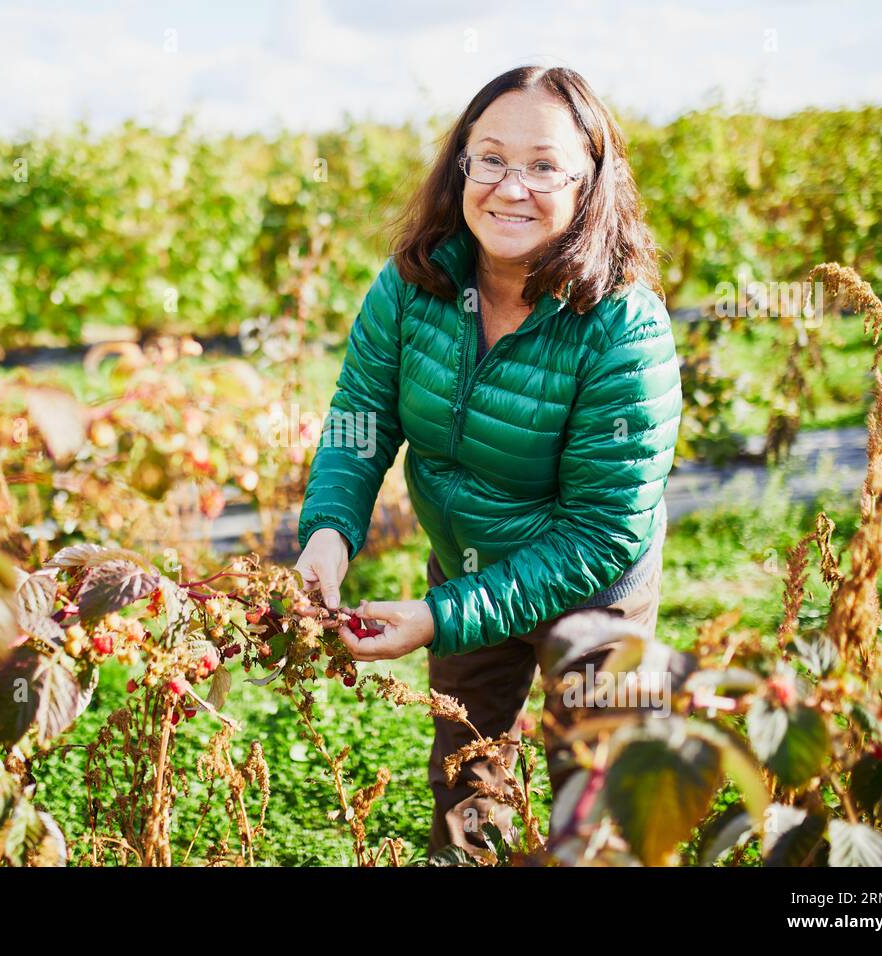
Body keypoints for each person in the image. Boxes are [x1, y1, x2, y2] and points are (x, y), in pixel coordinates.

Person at [293, 64, 691, 858]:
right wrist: (329, 531)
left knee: (594, 796)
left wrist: (440, 618)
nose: (513, 187)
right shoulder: (413, 288)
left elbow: (601, 535)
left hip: (592, 596)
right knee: (467, 777)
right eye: (492, 159)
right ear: (460, 168)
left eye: (545, 165)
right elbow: (360, 421)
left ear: (589, 183)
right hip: (466, 559)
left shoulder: (623, 328)